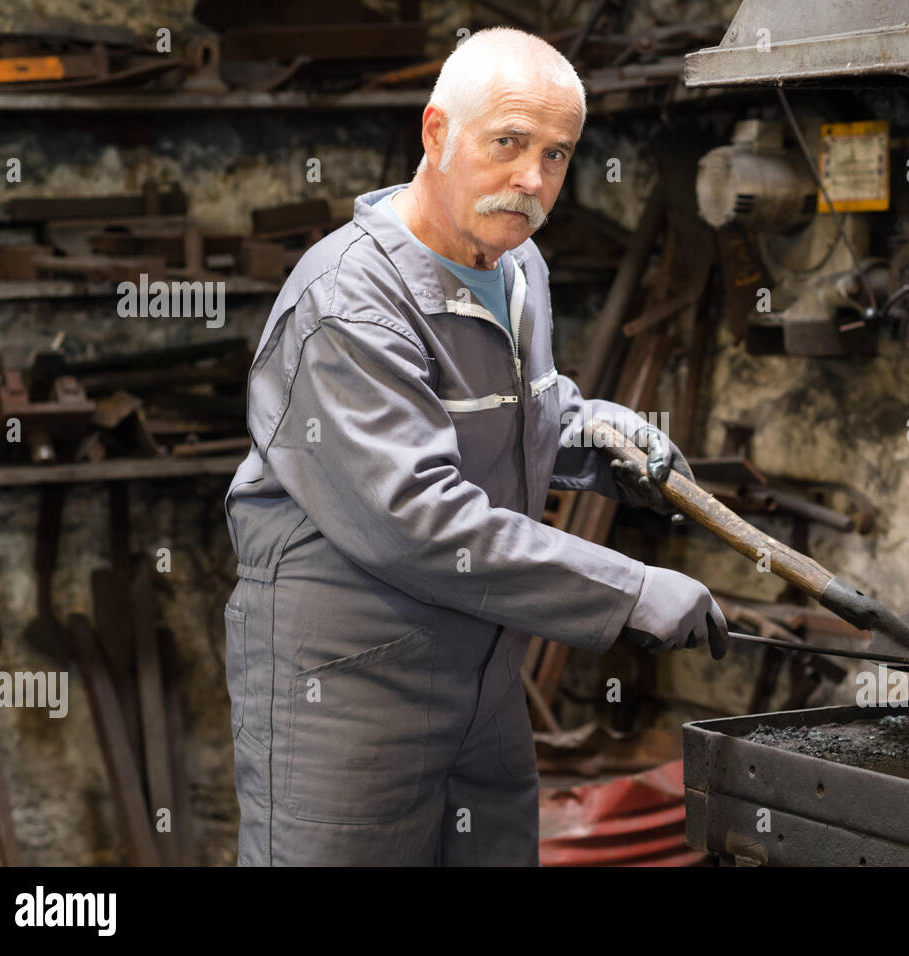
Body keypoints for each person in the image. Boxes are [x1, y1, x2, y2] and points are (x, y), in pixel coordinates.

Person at [221, 26, 727, 866]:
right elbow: (420, 519)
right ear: (435, 133)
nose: (532, 179)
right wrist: (627, 590)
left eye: (558, 155)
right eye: (508, 144)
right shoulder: (350, 302)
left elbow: (521, 412)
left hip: (486, 679)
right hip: (349, 688)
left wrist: (599, 434)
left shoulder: (518, 266)